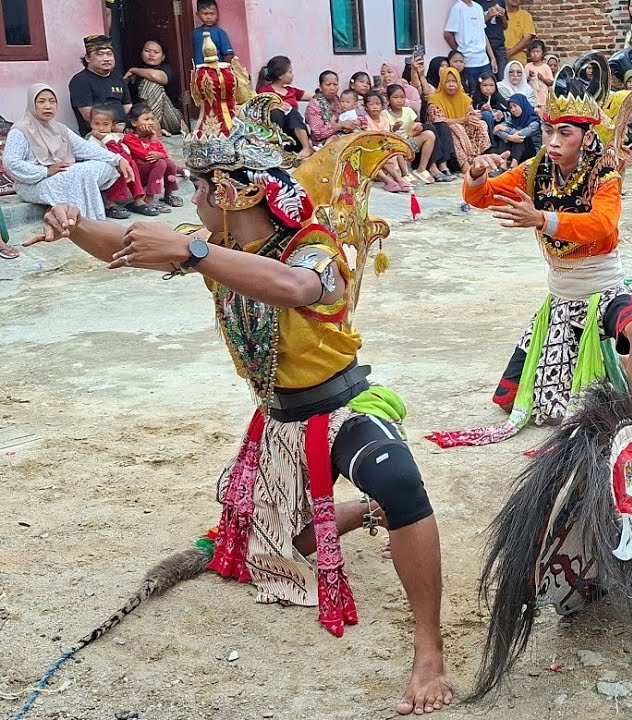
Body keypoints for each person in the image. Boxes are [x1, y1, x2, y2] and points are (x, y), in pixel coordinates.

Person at [23, 68, 453, 715]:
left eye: (200, 186)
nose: (191, 196)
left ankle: (429, 648)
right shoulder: (216, 244)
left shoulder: (314, 248)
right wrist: (74, 223)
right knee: (275, 551)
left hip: (339, 408)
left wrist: (192, 253)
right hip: (277, 423)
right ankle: (361, 514)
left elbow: (295, 288)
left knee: (400, 483)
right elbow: (124, 243)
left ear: (231, 190)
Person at [427, 54, 632, 447]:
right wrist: (477, 176)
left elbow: (602, 223)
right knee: (521, 405)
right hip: (561, 301)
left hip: (604, 290)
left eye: (565, 133)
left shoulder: (604, 175)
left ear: (586, 136)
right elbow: (483, 197)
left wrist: (542, 219)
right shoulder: (534, 171)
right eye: (549, 130)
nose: (553, 141)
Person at [3, 85, 132, 232]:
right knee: (78, 173)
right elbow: (11, 163)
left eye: (52, 101)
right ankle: (86, 224)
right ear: (32, 104)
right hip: (33, 184)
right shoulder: (20, 130)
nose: (48, 106)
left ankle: (91, 219)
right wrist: (45, 171)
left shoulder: (59, 128)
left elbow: (85, 148)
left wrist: (117, 159)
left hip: (60, 174)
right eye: (41, 101)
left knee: (103, 166)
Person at [86, 104, 145, 220]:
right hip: (101, 174)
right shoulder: (91, 141)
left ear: (113, 125)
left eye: (105, 124)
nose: (101, 128)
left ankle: (138, 199)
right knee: (117, 166)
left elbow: (123, 155)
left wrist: (108, 140)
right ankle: (110, 203)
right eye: (96, 124)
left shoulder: (116, 137)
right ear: (90, 124)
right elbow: (108, 157)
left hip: (116, 168)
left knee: (130, 163)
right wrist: (107, 141)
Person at [427, 67, 492, 171]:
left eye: (454, 81)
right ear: (442, 82)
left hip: (464, 129)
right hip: (444, 133)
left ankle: (479, 160)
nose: (451, 84)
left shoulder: (464, 98)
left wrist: (475, 118)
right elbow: (438, 121)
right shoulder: (435, 98)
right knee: (456, 128)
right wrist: (462, 120)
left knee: (482, 124)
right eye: (447, 81)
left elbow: (470, 116)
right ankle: (464, 164)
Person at [69, 35, 133, 136]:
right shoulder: (80, 80)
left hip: (123, 129)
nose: (106, 58)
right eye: (100, 54)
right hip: (98, 133)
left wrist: (129, 126)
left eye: (109, 54)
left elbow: (128, 107)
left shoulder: (118, 78)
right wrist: (114, 127)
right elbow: (88, 115)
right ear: (88, 58)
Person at [122, 105, 180, 214]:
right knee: (160, 163)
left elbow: (164, 154)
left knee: (169, 163)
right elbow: (147, 156)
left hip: (152, 169)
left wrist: (159, 153)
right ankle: (149, 197)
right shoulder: (129, 138)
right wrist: (153, 139)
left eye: (152, 119)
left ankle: (168, 194)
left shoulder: (150, 136)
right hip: (138, 174)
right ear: (134, 123)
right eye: (146, 119)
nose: (151, 122)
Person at [257, 56, 315, 159]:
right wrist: (277, 105)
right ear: (280, 75)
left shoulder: (291, 91)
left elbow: (313, 96)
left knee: (292, 112)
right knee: (277, 111)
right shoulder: (265, 91)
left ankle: (306, 147)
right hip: (277, 133)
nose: (292, 75)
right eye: (290, 72)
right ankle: (276, 147)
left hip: (294, 135)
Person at [124, 41, 186, 135]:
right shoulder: (138, 72)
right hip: (141, 120)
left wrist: (133, 70)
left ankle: (153, 129)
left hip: (171, 120)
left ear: (163, 56)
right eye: (147, 51)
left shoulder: (166, 69)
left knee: (151, 83)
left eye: (156, 52)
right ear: (141, 54)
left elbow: (153, 76)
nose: (151, 54)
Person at [386, 84, 439, 186]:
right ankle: (405, 174)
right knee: (397, 143)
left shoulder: (408, 111)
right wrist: (394, 129)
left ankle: (421, 169)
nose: (399, 100)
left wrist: (417, 128)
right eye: (395, 97)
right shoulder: (384, 114)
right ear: (389, 99)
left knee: (429, 134)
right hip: (394, 145)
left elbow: (412, 128)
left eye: (402, 97)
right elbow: (385, 133)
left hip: (408, 141)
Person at [445, 0, 497, 94]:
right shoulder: (457, 8)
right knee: (471, 94)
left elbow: (482, 34)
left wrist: (492, 58)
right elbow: (447, 34)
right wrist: (459, 52)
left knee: (488, 93)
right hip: (467, 63)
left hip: (484, 61)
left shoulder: (478, 7)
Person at [307, 71, 362, 144]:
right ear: (320, 87)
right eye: (328, 84)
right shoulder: (314, 106)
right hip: (323, 142)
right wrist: (340, 125)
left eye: (335, 84)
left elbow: (358, 115)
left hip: (345, 135)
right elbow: (318, 133)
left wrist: (356, 122)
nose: (332, 88)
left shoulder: (340, 100)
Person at [492, 93, 541, 164]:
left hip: (532, 150)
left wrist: (505, 129)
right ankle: (503, 164)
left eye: (515, 106)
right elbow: (497, 131)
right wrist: (509, 137)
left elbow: (521, 134)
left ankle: (514, 165)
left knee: (520, 138)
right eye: (511, 107)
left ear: (522, 105)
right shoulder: (512, 118)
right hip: (515, 150)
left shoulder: (534, 122)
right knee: (505, 139)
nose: (513, 110)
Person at [476, 0, 509, 73]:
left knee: (503, 74)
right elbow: (474, 26)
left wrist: (503, 16)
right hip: (483, 46)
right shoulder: (477, 3)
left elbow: (505, 26)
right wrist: (488, 16)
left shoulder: (500, 1)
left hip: (500, 44)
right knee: (487, 75)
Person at [525, 40, 555, 108]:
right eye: (533, 52)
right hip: (531, 98)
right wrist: (529, 76)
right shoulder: (528, 66)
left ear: (542, 53)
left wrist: (543, 79)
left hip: (543, 98)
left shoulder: (546, 67)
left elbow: (551, 82)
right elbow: (524, 82)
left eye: (538, 51)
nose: (535, 54)